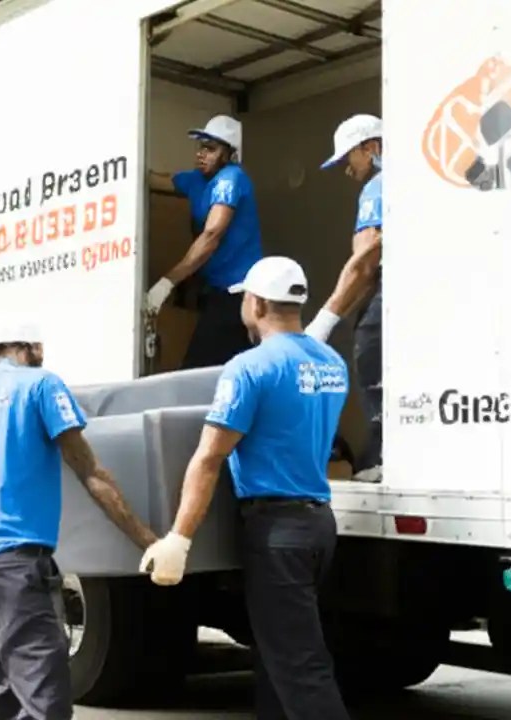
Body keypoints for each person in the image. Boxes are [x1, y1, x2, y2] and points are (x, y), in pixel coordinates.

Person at [0, 322, 159, 720]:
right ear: (29, 347)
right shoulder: (42, 386)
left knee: (8, 690)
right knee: (45, 700)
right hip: (20, 562)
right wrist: (148, 541)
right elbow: (91, 473)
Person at [140, 256, 352, 720]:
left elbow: (210, 456)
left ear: (255, 303)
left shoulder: (248, 368)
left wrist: (179, 536)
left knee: (299, 666)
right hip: (318, 523)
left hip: (276, 530)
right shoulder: (332, 363)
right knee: (277, 658)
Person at [146, 114, 264, 369]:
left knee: (196, 371)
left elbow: (211, 236)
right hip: (218, 294)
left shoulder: (231, 178)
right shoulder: (198, 181)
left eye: (210, 149)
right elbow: (153, 179)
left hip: (238, 293)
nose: (201, 154)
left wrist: (167, 283)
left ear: (230, 154)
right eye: (201, 147)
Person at [305, 114, 385, 483]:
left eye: (347, 158)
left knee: (373, 362)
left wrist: (320, 325)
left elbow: (364, 264)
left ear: (371, 147)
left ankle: (385, 457)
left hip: (388, 299)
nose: (346, 170)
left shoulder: (378, 186)